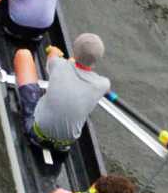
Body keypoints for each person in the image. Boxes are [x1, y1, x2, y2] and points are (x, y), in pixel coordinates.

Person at [12, 34, 110, 170]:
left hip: (36, 134)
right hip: (64, 146)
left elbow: (55, 57)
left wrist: (54, 52)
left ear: (75, 51)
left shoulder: (58, 64)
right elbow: (106, 89)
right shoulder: (103, 84)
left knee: (23, 55)